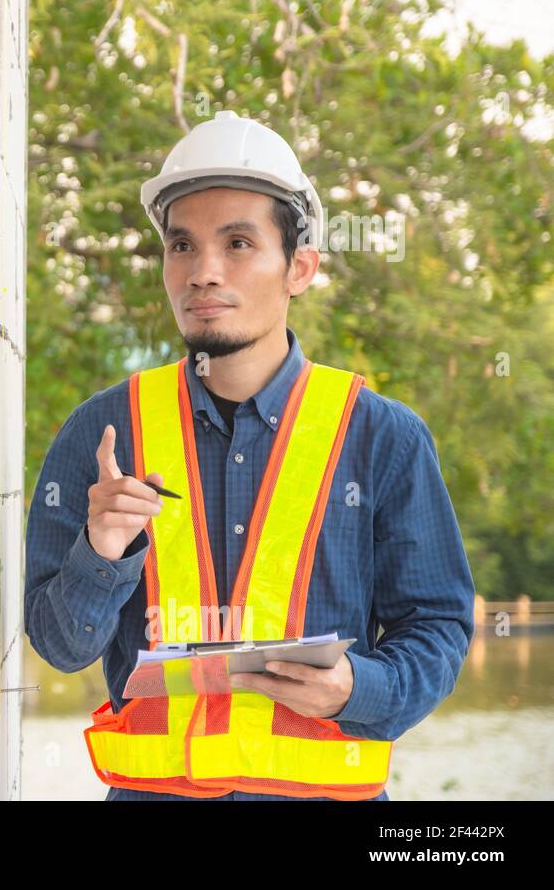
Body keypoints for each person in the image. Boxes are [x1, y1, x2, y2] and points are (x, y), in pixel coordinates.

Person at [24, 111, 476, 800]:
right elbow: (59, 645)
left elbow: (438, 626)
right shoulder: (101, 433)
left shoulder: (383, 438)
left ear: (299, 267)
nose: (203, 272)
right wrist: (100, 552)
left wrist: (361, 687)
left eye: (238, 243)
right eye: (182, 246)